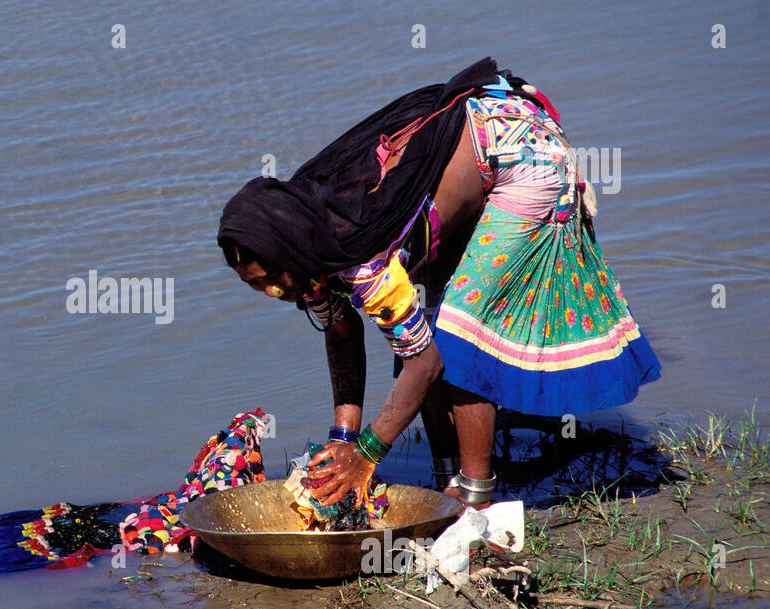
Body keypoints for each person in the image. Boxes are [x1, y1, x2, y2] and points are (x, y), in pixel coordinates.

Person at [217, 58, 660, 509]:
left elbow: (426, 363)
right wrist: (342, 440)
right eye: (257, 285)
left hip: (526, 153)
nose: (274, 291)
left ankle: (475, 499)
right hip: (471, 159)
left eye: (272, 278)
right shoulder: (306, 255)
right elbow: (342, 332)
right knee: (423, 328)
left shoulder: (360, 261)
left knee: (458, 339)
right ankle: (445, 477)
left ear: (286, 252)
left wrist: (367, 452)